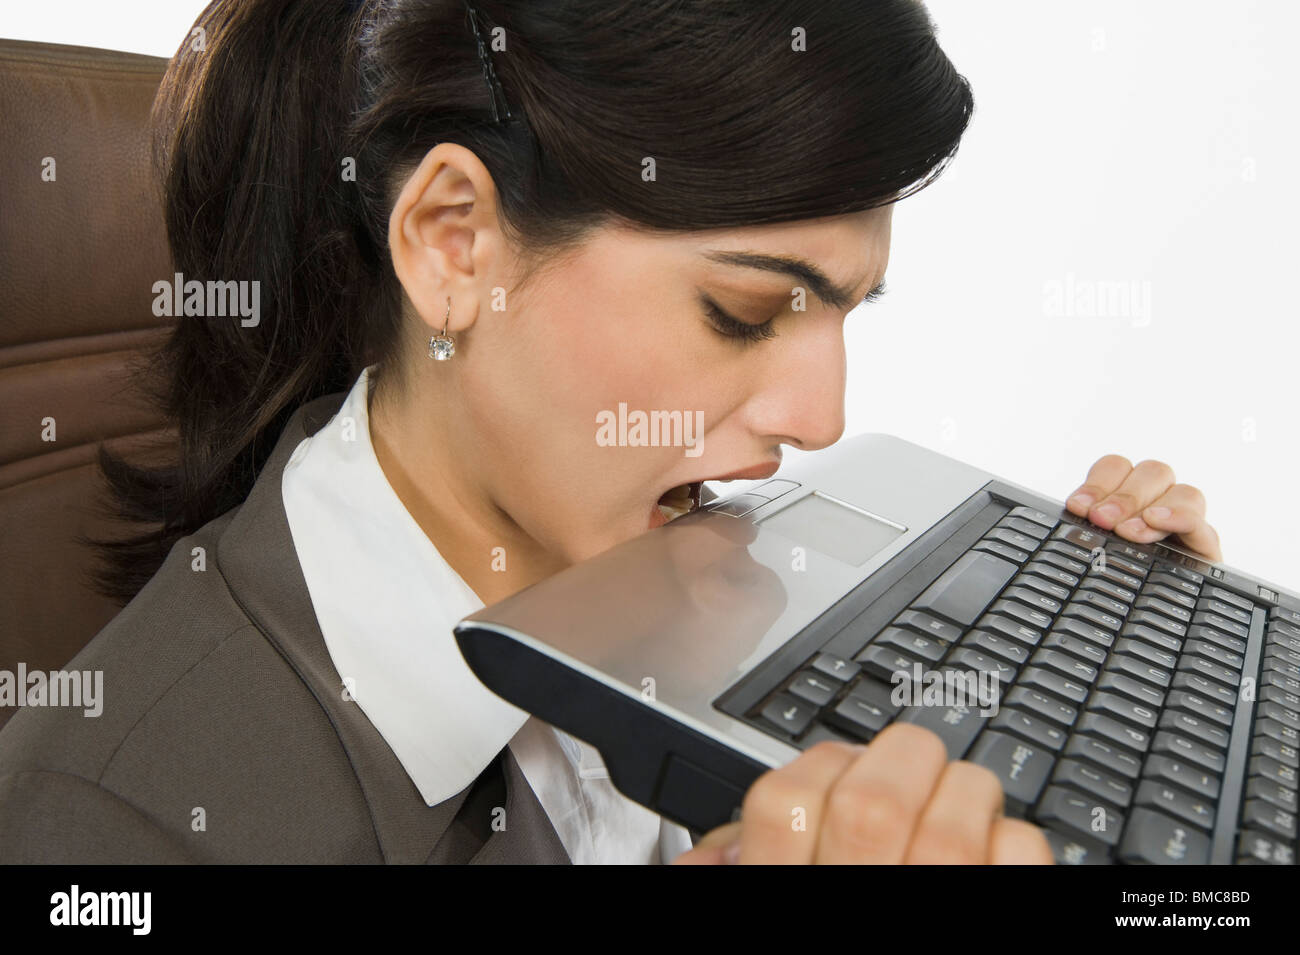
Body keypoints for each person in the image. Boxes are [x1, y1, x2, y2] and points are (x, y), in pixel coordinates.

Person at [0, 0, 1223, 864]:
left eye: (846, 314)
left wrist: (1109, 716)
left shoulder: (688, 567)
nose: (823, 418)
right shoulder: (106, 835)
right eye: (743, 313)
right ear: (452, 244)